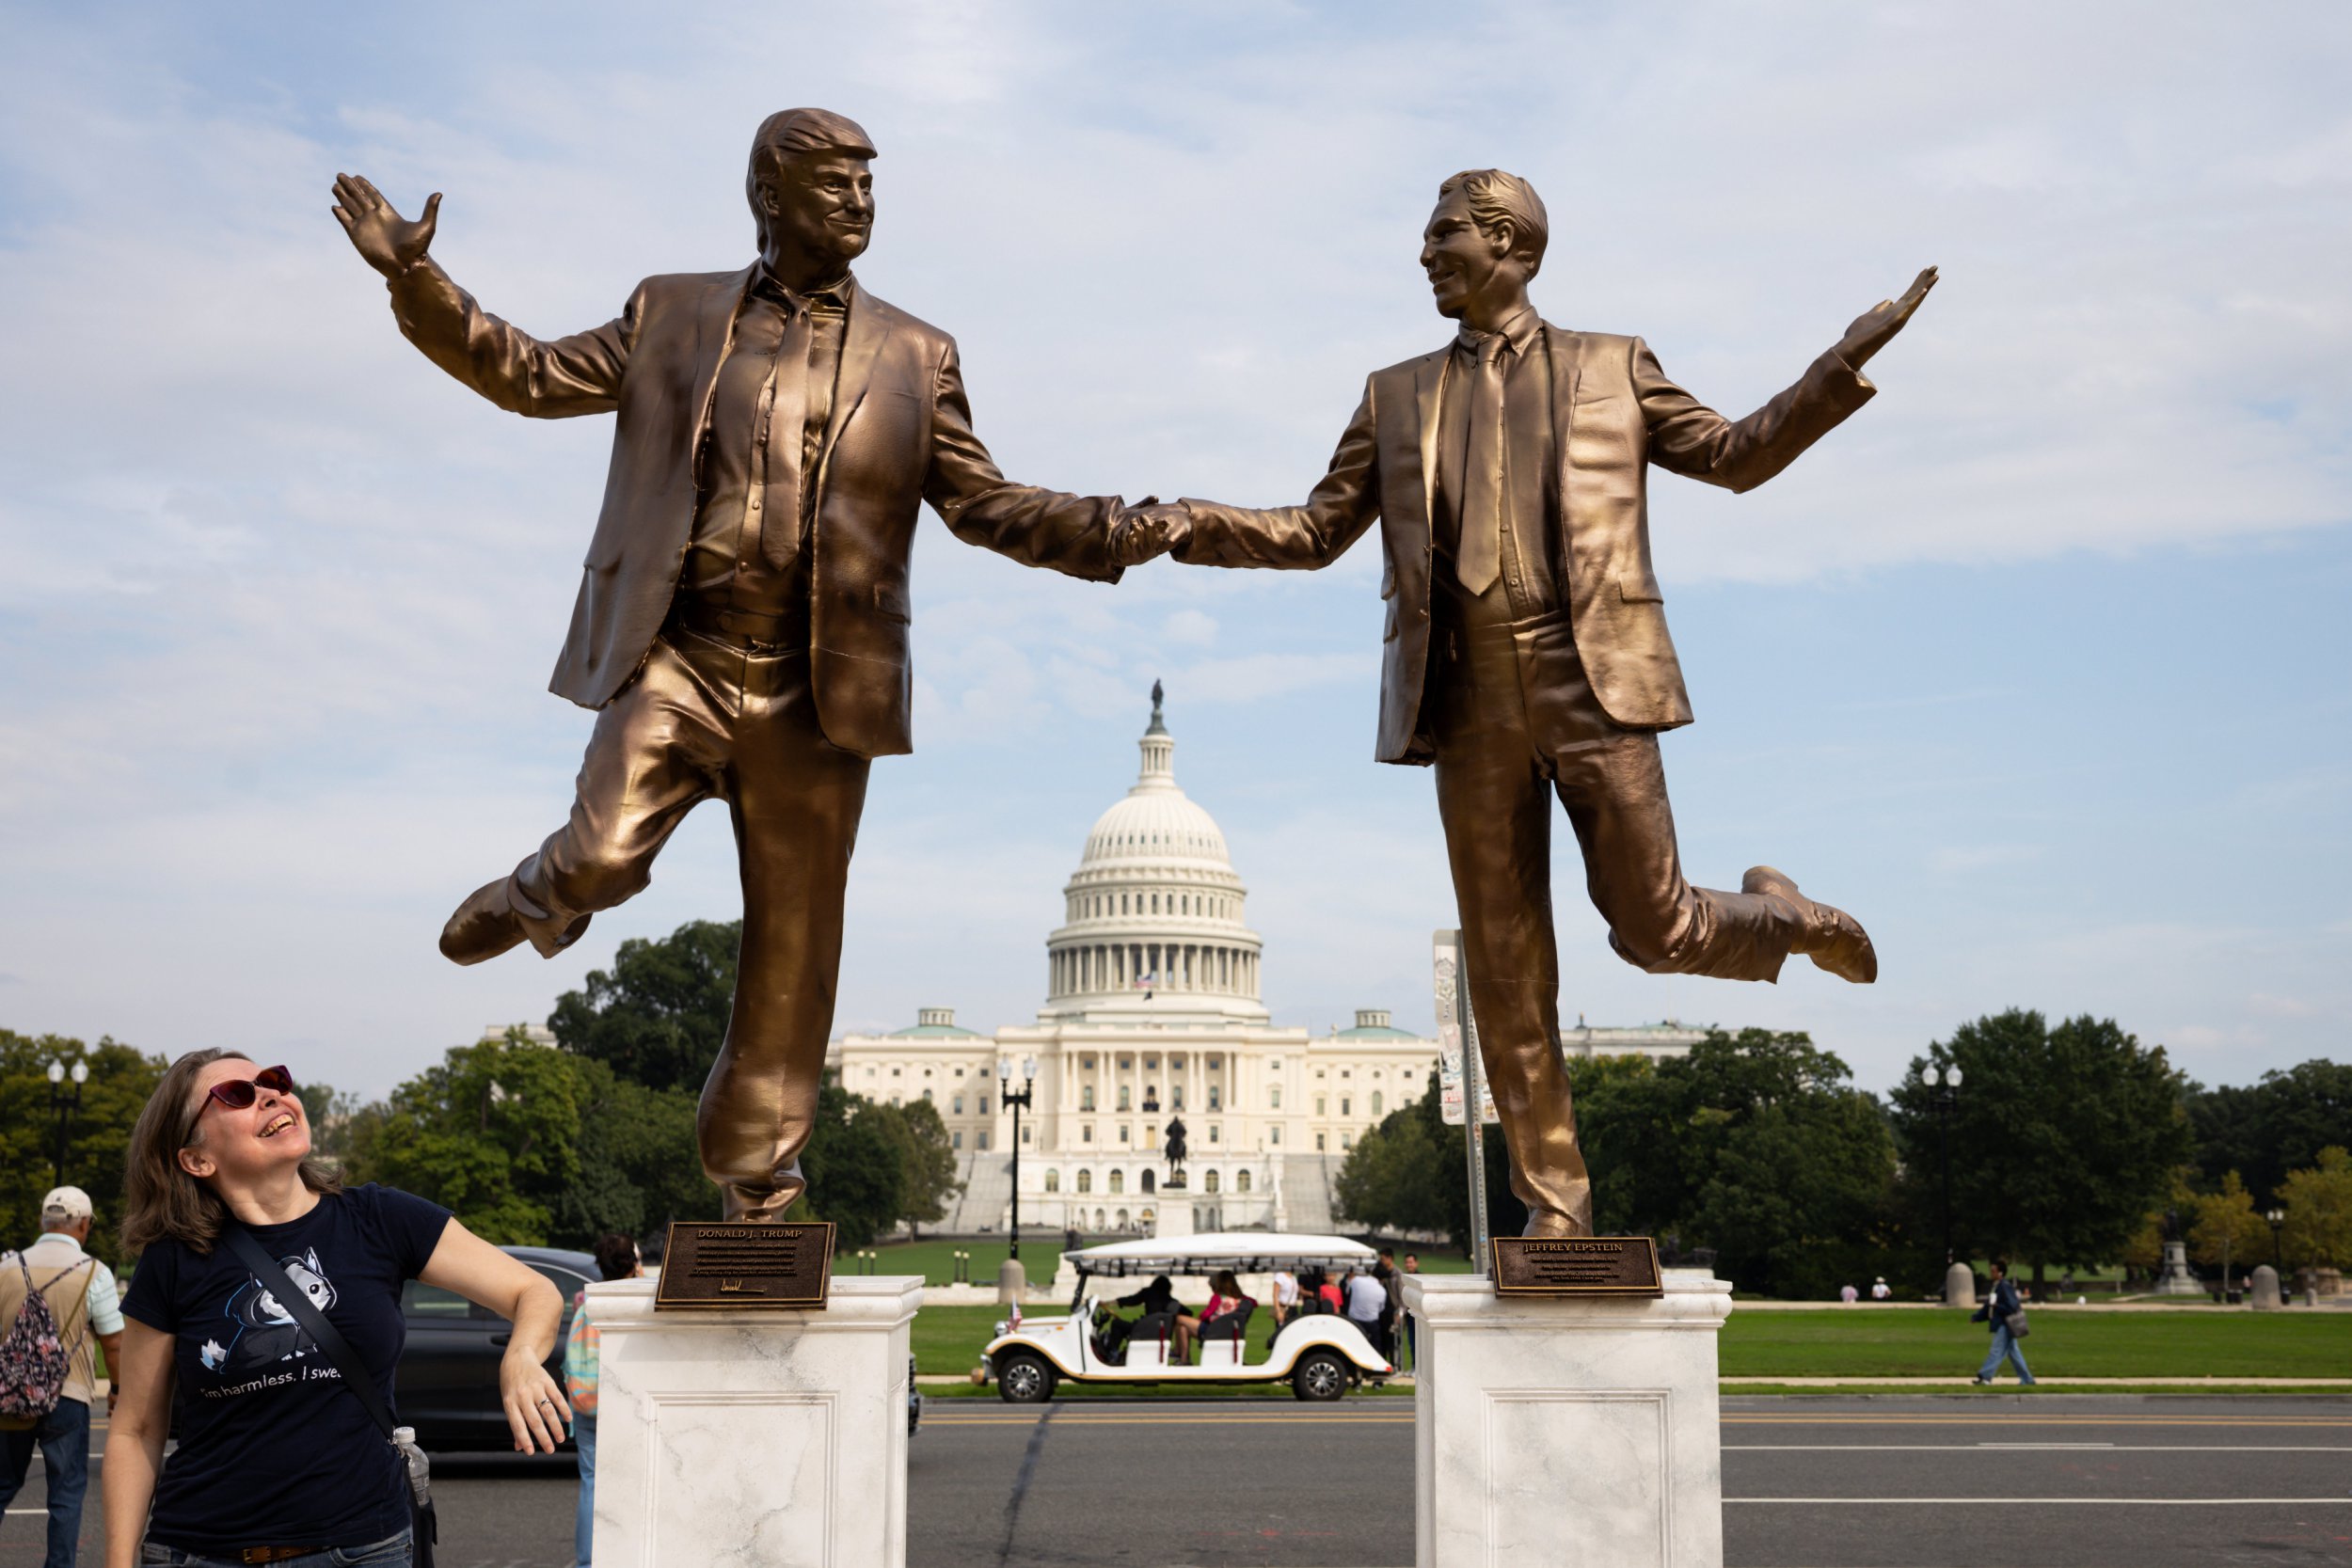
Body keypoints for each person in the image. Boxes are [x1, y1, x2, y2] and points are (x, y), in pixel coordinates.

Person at [330, 110, 1137, 1222]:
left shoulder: (917, 352)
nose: (859, 201)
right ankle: (544, 892)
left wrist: (1113, 528)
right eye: (836, 182)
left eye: (868, 183)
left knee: (792, 951)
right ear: (769, 192)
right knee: (604, 853)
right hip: (682, 653)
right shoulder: (671, 310)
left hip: (817, 688)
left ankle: (757, 1174)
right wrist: (416, 279)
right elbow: (530, 374)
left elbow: (983, 502)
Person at [1112, 171, 1933, 1238]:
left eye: (1443, 234)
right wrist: (1186, 521)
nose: (1424, 254)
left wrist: (1838, 366)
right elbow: (1315, 531)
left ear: (1510, 244)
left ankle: (1787, 915)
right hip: (1466, 694)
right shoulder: (1394, 394)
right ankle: (1556, 1206)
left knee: (1655, 930)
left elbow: (1736, 456)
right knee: (1504, 964)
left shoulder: (1612, 364)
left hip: (1591, 676)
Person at [103, 1052, 574, 1568]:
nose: (270, 1094)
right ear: (197, 1160)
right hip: (201, 1554)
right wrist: (118, 1562)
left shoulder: (380, 1219)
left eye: (273, 1080)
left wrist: (521, 1356)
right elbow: (136, 1430)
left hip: (365, 1551)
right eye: (236, 1095)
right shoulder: (173, 1259)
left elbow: (534, 1291)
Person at [0, 1186, 125, 1568]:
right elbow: (114, 1343)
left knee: (2, 1484)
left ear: (43, 1222)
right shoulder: (94, 1273)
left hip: (11, 1395)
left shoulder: (7, 1267)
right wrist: (117, 1389)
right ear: (84, 1224)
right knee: (66, 1494)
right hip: (69, 1394)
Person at [565, 1233, 644, 1568]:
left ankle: (587, 1562)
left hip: (586, 1399)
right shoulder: (636, 1300)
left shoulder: (586, 1299)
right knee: (636, 1479)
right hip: (623, 1402)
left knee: (591, 1481)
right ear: (633, 1263)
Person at [1969, 1258, 2035, 1386]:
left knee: (1996, 1350)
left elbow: (2011, 1306)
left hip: (2005, 1325)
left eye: (1993, 1271)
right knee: (2014, 1353)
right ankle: (2027, 1380)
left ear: (2000, 1273)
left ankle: (1985, 1377)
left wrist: (1997, 1306)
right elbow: (1989, 1307)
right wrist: (1977, 1317)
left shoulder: (2004, 1286)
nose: (1991, 1273)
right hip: (2003, 1324)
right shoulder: (1997, 1287)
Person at [1170, 1272, 1253, 1364]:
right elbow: (1254, 1302)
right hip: (1230, 1332)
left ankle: (1177, 1351)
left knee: (1179, 1319)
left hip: (1212, 1329)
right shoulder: (1241, 1300)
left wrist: (1199, 1319)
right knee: (1182, 1328)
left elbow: (1206, 1314)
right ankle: (1184, 1359)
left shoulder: (1218, 1297)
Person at [1098, 1274, 1180, 1361]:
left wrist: (1108, 1302)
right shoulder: (1173, 1302)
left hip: (1143, 1330)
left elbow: (1132, 1300)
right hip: (1160, 1335)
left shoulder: (1148, 1292)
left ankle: (1113, 1353)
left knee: (1117, 1323)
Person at [1344, 1266, 1389, 1370]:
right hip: (1372, 1322)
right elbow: (1381, 1308)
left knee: (1354, 1347)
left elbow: (1347, 1290)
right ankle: (1376, 1370)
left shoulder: (1357, 1281)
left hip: (1354, 1321)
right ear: (1382, 1279)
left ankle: (1354, 1369)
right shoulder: (1382, 1291)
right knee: (1375, 1347)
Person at [1400, 1253, 1422, 1371]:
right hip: (1409, 1316)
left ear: (1416, 1263)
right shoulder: (1404, 1279)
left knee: (1420, 1344)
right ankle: (1414, 1366)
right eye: (1407, 1262)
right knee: (1412, 1343)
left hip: (1419, 1316)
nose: (1409, 1265)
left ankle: (1420, 1368)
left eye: (1411, 1262)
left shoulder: (1421, 1278)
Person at [1268, 1266, 1300, 1330]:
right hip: (1283, 1308)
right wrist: (1278, 1311)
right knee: (1282, 1330)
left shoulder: (1293, 1277)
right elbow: (1275, 1295)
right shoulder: (1280, 1276)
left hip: (1293, 1308)